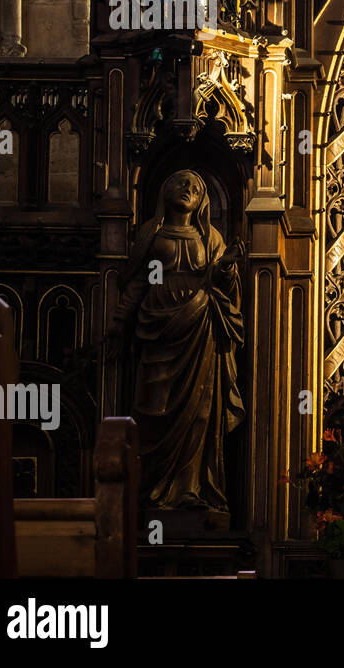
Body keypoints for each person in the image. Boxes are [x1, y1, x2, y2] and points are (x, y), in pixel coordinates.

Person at [113, 170, 245, 510]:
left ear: (203, 200)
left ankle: (190, 489)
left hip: (200, 327)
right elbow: (139, 281)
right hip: (158, 329)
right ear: (163, 190)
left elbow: (223, 285)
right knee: (155, 408)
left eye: (196, 187)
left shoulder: (209, 236)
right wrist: (119, 321)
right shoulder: (151, 233)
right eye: (180, 182)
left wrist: (226, 269)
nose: (187, 189)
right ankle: (153, 491)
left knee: (200, 412)